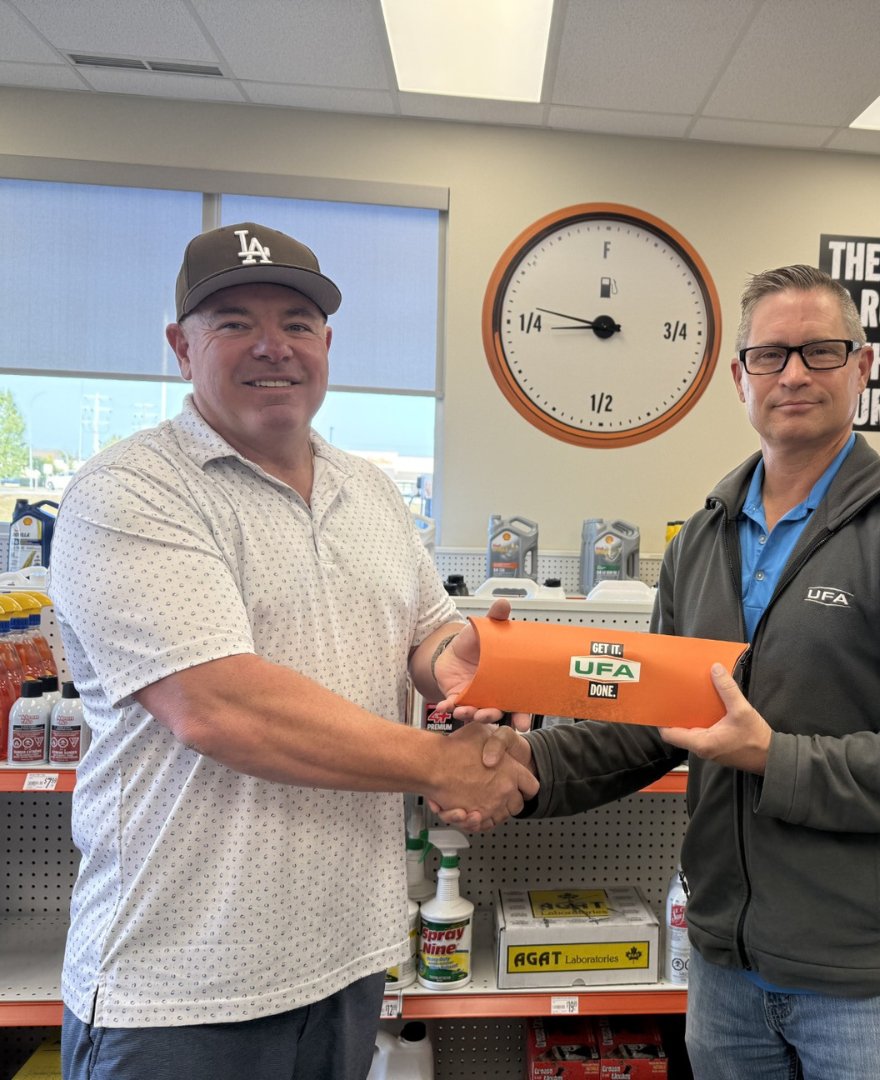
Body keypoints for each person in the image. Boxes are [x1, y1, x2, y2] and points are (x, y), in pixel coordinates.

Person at [448, 264, 880, 1079]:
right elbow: (651, 728)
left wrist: (775, 758)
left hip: (873, 990)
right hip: (724, 971)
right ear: (740, 378)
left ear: (862, 367)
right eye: (770, 355)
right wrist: (521, 764)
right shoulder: (700, 542)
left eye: (820, 351)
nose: (793, 374)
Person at [48, 221, 537, 1080]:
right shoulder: (129, 491)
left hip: (348, 960)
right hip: (182, 988)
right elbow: (219, 706)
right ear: (181, 347)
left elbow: (426, 630)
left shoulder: (370, 490)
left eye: (297, 323)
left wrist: (462, 663)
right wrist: (444, 765)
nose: (272, 346)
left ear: (327, 345)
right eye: (234, 322)